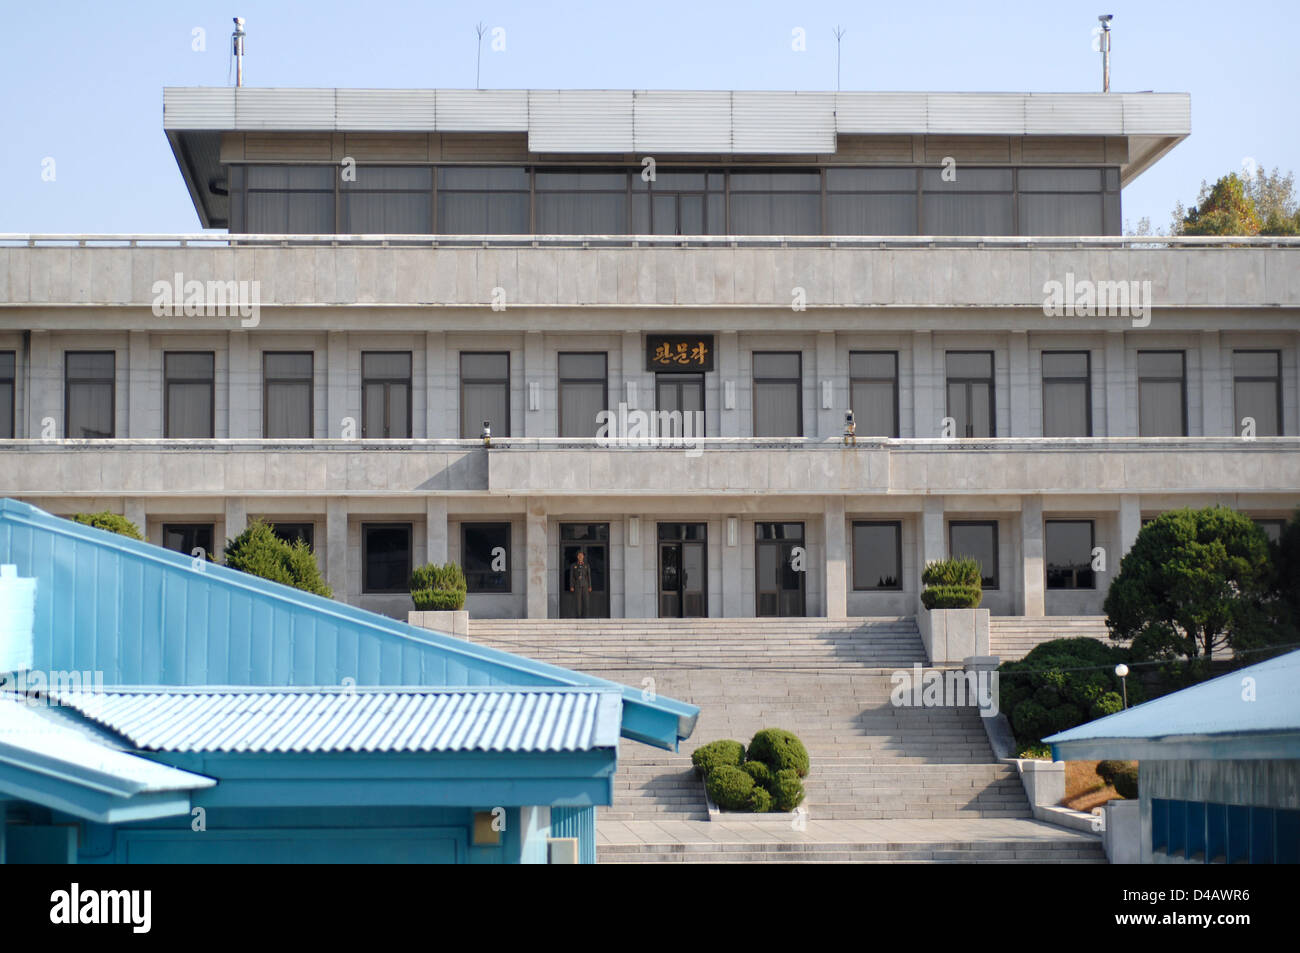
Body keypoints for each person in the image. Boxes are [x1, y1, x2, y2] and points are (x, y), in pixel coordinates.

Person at [568, 550, 593, 618]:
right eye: (579, 555)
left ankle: (586, 616)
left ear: (583, 557)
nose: (580, 557)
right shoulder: (573, 565)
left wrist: (590, 586)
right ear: (577, 557)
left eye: (581, 555)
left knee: (586, 601)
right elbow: (572, 576)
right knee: (578, 602)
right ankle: (578, 616)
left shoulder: (586, 565)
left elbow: (588, 576)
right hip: (577, 585)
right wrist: (571, 586)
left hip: (585, 585)